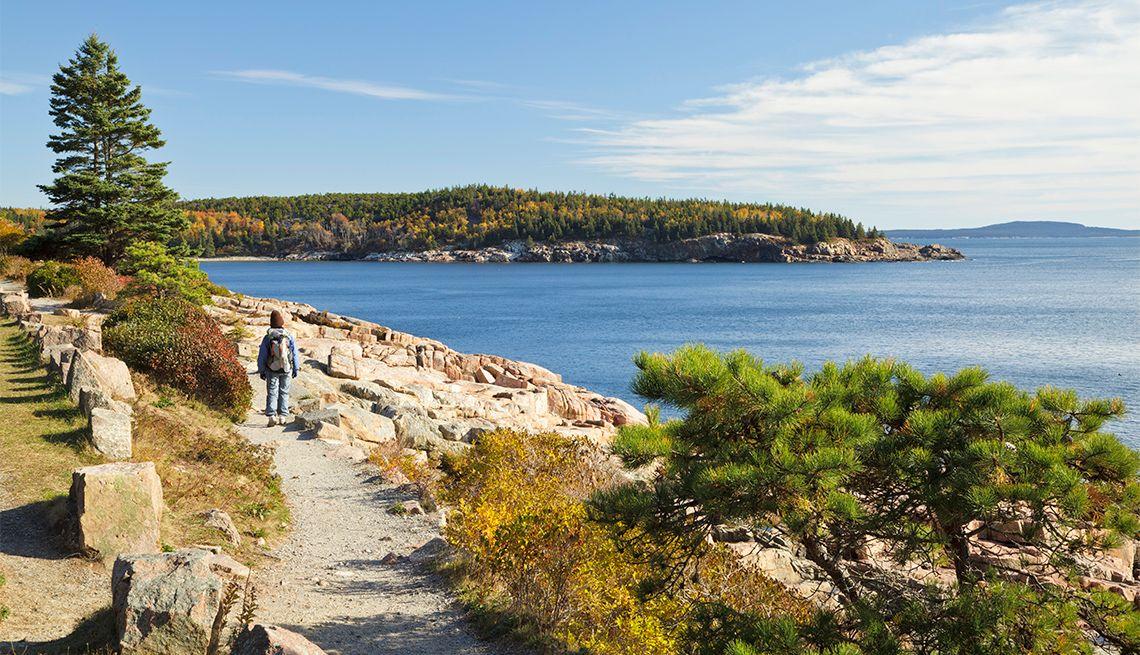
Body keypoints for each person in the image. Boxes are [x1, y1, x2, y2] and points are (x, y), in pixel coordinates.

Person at [257, 310, 299, 426]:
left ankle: (271, 416)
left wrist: (261, 370)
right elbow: (295, 353)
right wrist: (296, 368)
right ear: (282, 323)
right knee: (284, 392)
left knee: (272, 392)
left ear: (271, 323)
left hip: (271, 368)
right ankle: (282, 417)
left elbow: (262, 355)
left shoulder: (268, 337)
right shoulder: (288, 336)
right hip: (286, 368)